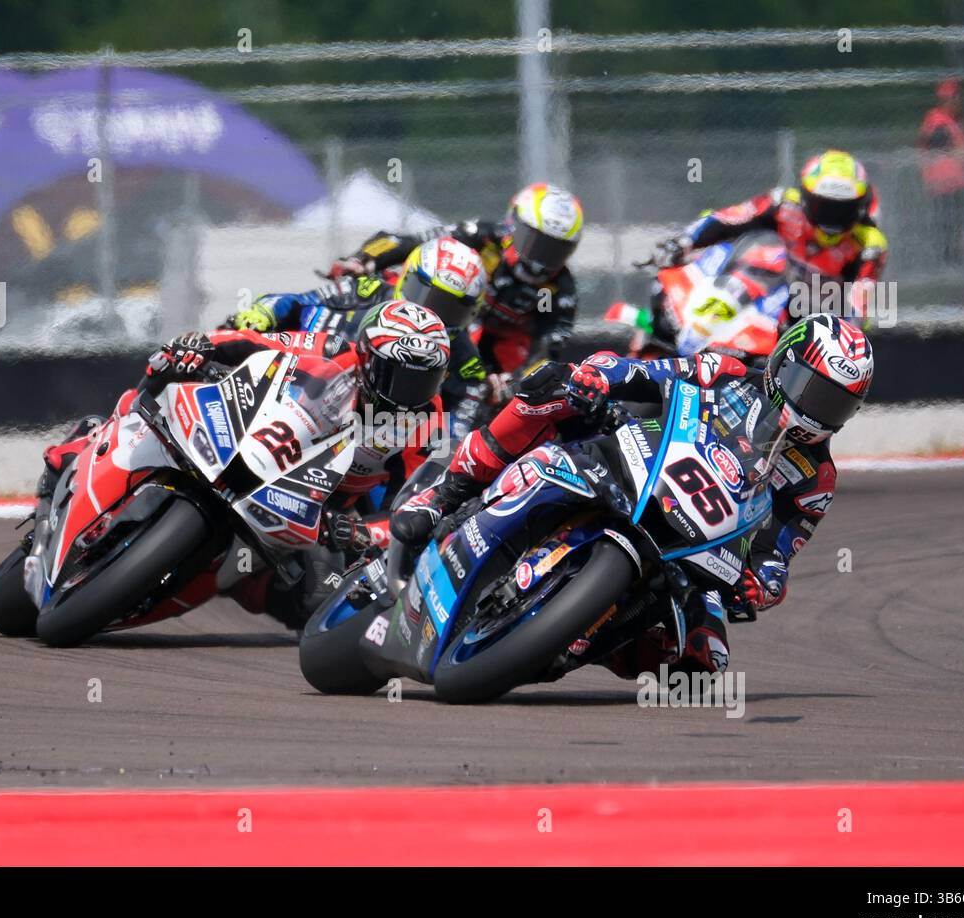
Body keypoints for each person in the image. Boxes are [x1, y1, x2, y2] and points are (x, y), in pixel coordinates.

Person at [391, 313, 874, 678]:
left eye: (836, 403)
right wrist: (602, 377)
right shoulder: (725, 371)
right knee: (550, 389)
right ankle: (445, 494)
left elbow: (781, 548)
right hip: (629, 466)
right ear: (782, 366)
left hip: (703, 551)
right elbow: (653, 374)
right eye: (813, 390)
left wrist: (766, 582)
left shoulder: (817, 479)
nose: (818, 410)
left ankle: (573, 635)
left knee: (706, 665)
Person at [41, 300, 453, 627]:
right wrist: (199, 346)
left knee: (317, 599)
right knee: (153, 391)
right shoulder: (330, 351)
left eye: (424, 379)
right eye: (397, 374)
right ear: (366, 358)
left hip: (312, 511)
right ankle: (83, 444)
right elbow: (249, 341)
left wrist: (363, 530)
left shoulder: (424, 423)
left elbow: (414, 504)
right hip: (245, 441)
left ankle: (231, 582)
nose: (410, 391)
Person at [329, 182, 584, 375]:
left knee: (523, 362)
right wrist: (362, 260)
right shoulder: (480, 236)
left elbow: (548, 348)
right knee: (399, 281)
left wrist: (516, 383)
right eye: (534, 242)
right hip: (444, 317)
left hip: (491, 349)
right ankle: (351, 341)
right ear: (512, 224)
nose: (541, 259)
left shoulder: (560, 289)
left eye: (555, 250)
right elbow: (411, 242)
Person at [226, 236, 489, 415]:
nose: (427, 314)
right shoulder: (366, 289)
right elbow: (295, 301)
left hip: (367, 438)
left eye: (450, 308)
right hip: (288, 388)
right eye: (426, 296)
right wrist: (262, 314)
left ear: (471, 312)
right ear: (406, 277)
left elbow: (453, 438)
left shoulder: (468, 365)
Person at [652, 150, 888, 325]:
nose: (832, 218)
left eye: (843, 209)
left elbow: (859, 306)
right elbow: (728, 219)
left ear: (860, 208)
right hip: (751, 304)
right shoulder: (783, 204)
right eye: (824, 206)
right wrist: (683, 243)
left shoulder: (869, 244)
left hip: (809, 325)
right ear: (806, 198)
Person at [918, 77, 964, 264]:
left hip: (954, 183)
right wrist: (959, 151)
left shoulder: (950, 120)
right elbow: (935, 143)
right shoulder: (938, 120)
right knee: (948, 226)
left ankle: (954, 260)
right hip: (945, 184)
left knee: (956, 225)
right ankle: (949, 263)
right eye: (955, 99)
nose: (959, 103)